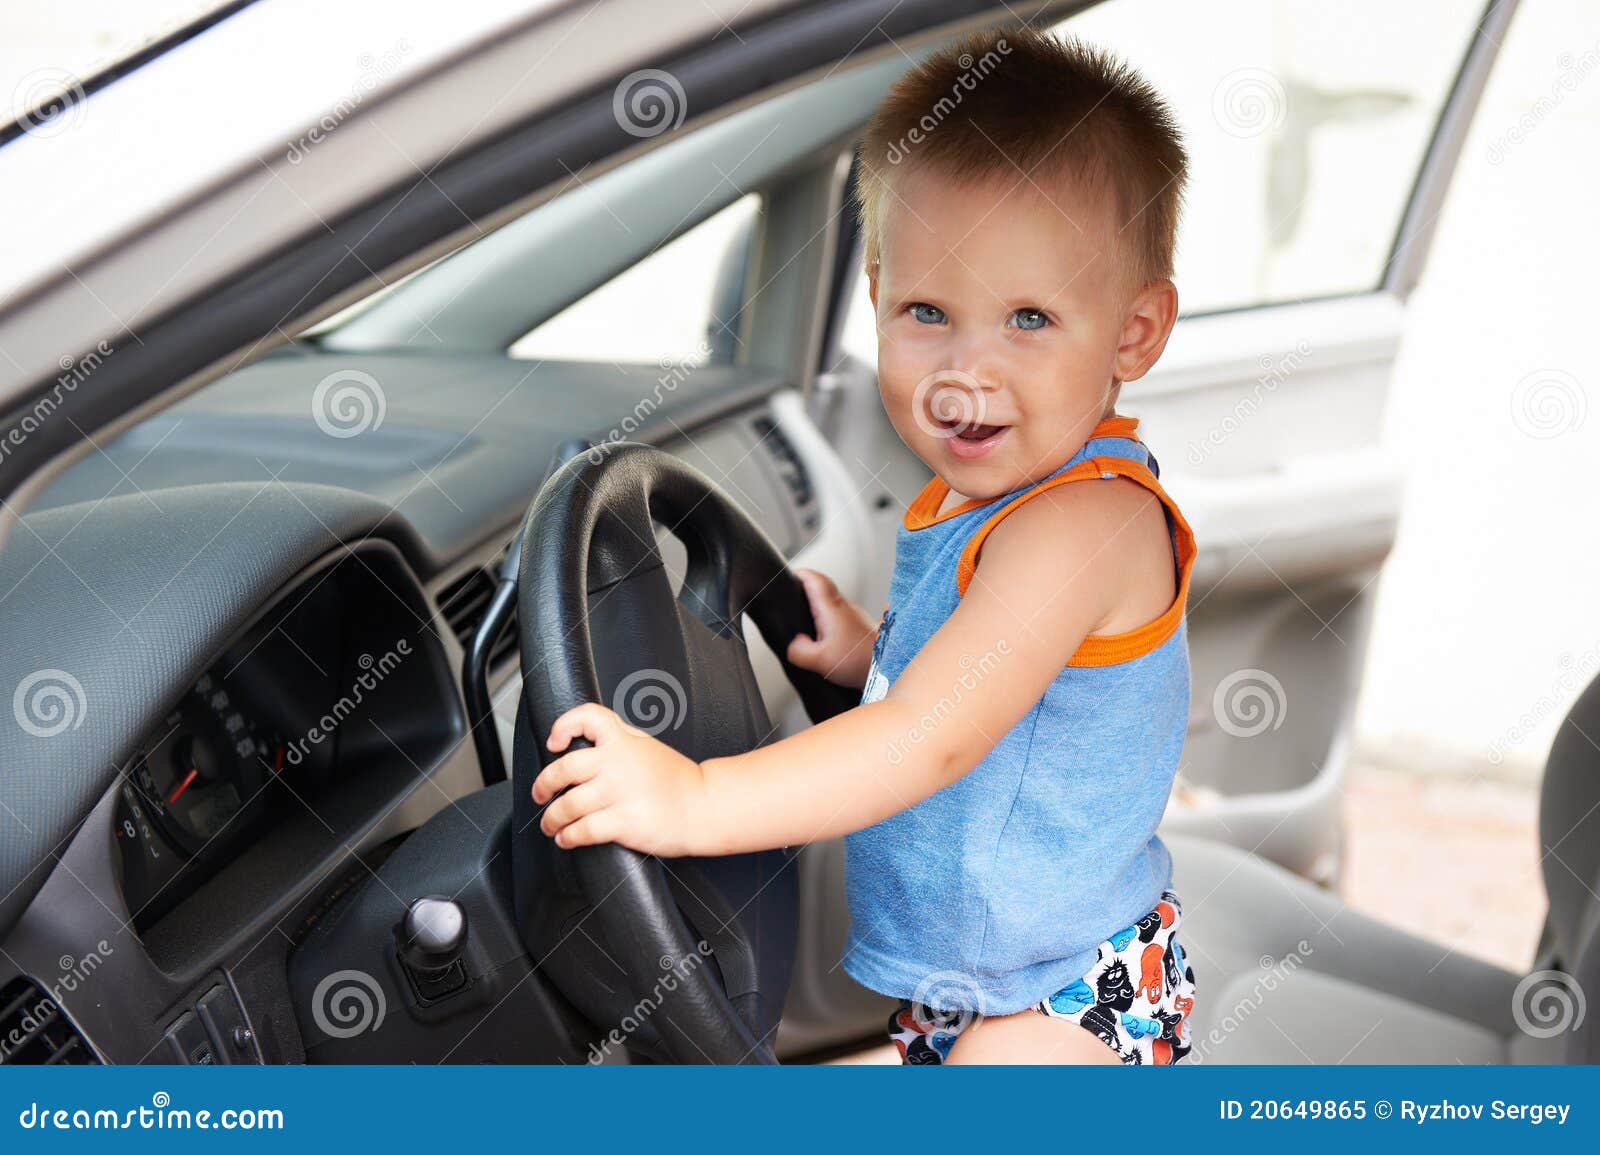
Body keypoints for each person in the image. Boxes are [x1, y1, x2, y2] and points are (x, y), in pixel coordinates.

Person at [532, 24, 1198, 1065]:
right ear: (875, 293)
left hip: (1059, 1007)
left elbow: (930, 736)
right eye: (927, 311)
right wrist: (865, 658)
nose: (963, 370)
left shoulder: (1085, 520)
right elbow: (976, 671)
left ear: (1132, 334)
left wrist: (695, 799)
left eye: (1028, 318)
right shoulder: (996, 491)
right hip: (970, 988)